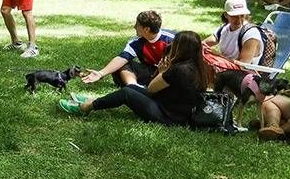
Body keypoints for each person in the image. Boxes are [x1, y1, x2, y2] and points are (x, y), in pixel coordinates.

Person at [59, 31, 213, 125]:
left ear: (180, 48)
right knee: (132, 88)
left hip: (168, 116)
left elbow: (152, 88)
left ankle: (86, 107)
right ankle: (92, 100)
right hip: (178, 112)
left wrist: (162, 71)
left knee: (127, 93)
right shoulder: (199, 67)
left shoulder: (178, 70)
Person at [57, 11, 172, 114]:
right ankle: (134, 86)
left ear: (146, 29)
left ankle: (90, 104)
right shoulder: (137, 42)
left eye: (137, 25)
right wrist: (101, 73)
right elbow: (122, 58)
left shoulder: (172, 40)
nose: (134, 27)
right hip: (151, 72)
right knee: (120, 67)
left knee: (126, 92)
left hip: (168, 76)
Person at [203, 0, 263, 64]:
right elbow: (203, 45)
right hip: (224, 67)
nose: (239, 20)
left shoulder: (251, 34)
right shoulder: (223, 29)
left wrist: (218, 56)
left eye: (242, 16)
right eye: (235, 16)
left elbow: (243, 65)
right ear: (226, 15)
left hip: (244, 72)